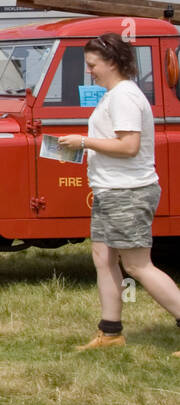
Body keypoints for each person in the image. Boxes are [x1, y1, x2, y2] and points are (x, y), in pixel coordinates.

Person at [57, 32, 180, 352]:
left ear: (112, 62)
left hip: (128, 192)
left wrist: (82, 142)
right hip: (111, 191)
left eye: (92, 64)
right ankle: (110, 333)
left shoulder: (124, 95)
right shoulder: (115, 94)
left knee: (138, 266)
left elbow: (128, 146)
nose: (89, 71)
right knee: (103, 258)